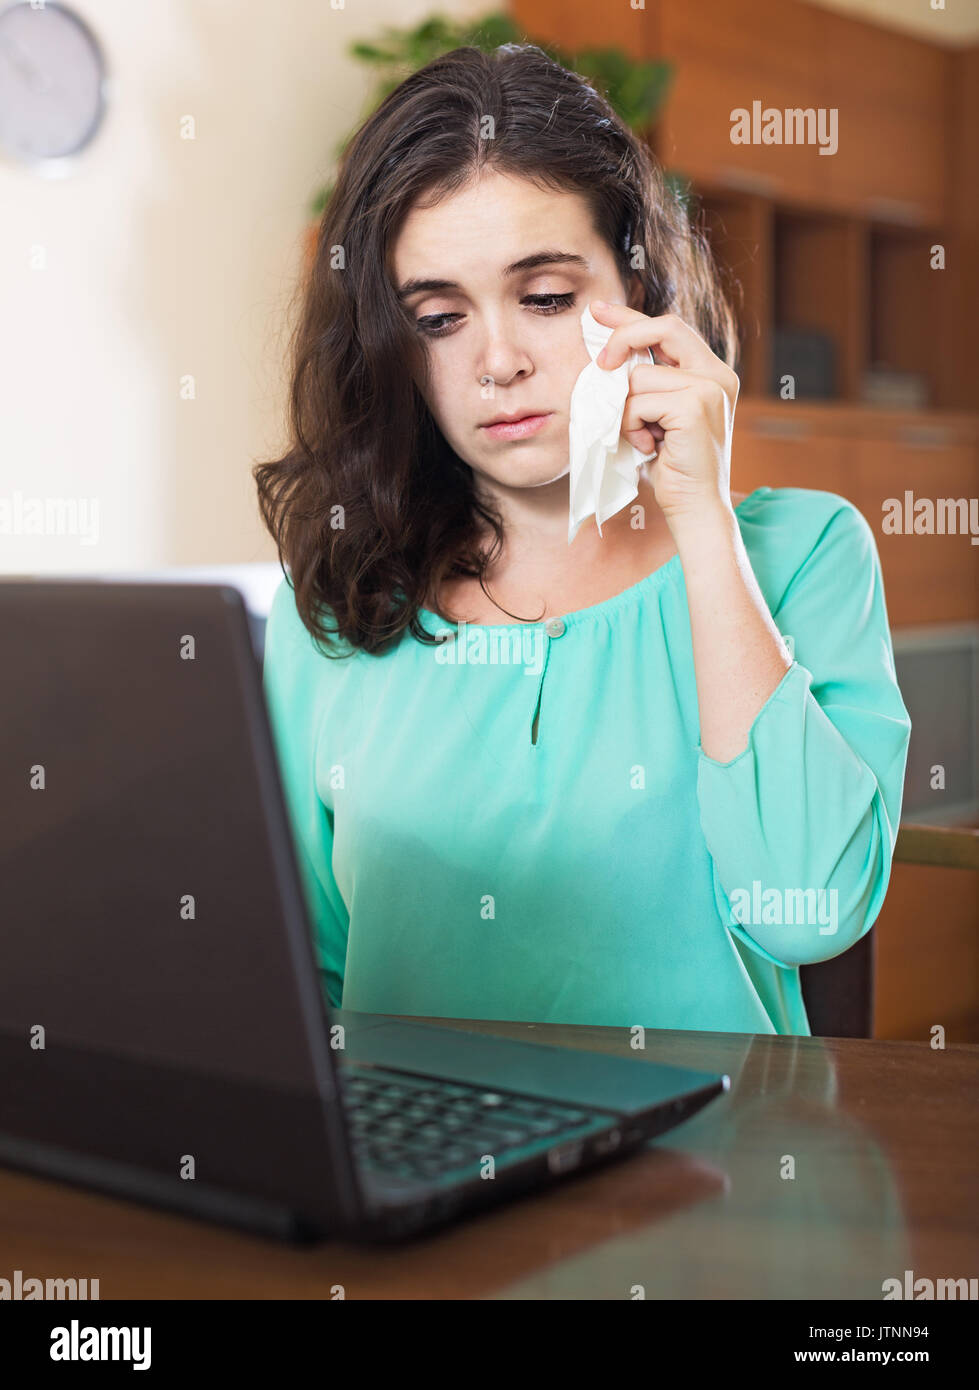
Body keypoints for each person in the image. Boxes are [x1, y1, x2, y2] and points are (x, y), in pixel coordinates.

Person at [254, 44, 911, 1034]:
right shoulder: (335, 604)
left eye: (548, 298)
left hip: (722, 1170)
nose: (498, 362)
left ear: (640, 291)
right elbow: (312, 980)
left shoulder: (806, 553)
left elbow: (810, 912)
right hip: (424, 1170)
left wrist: (700, 518)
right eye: (437, 317)